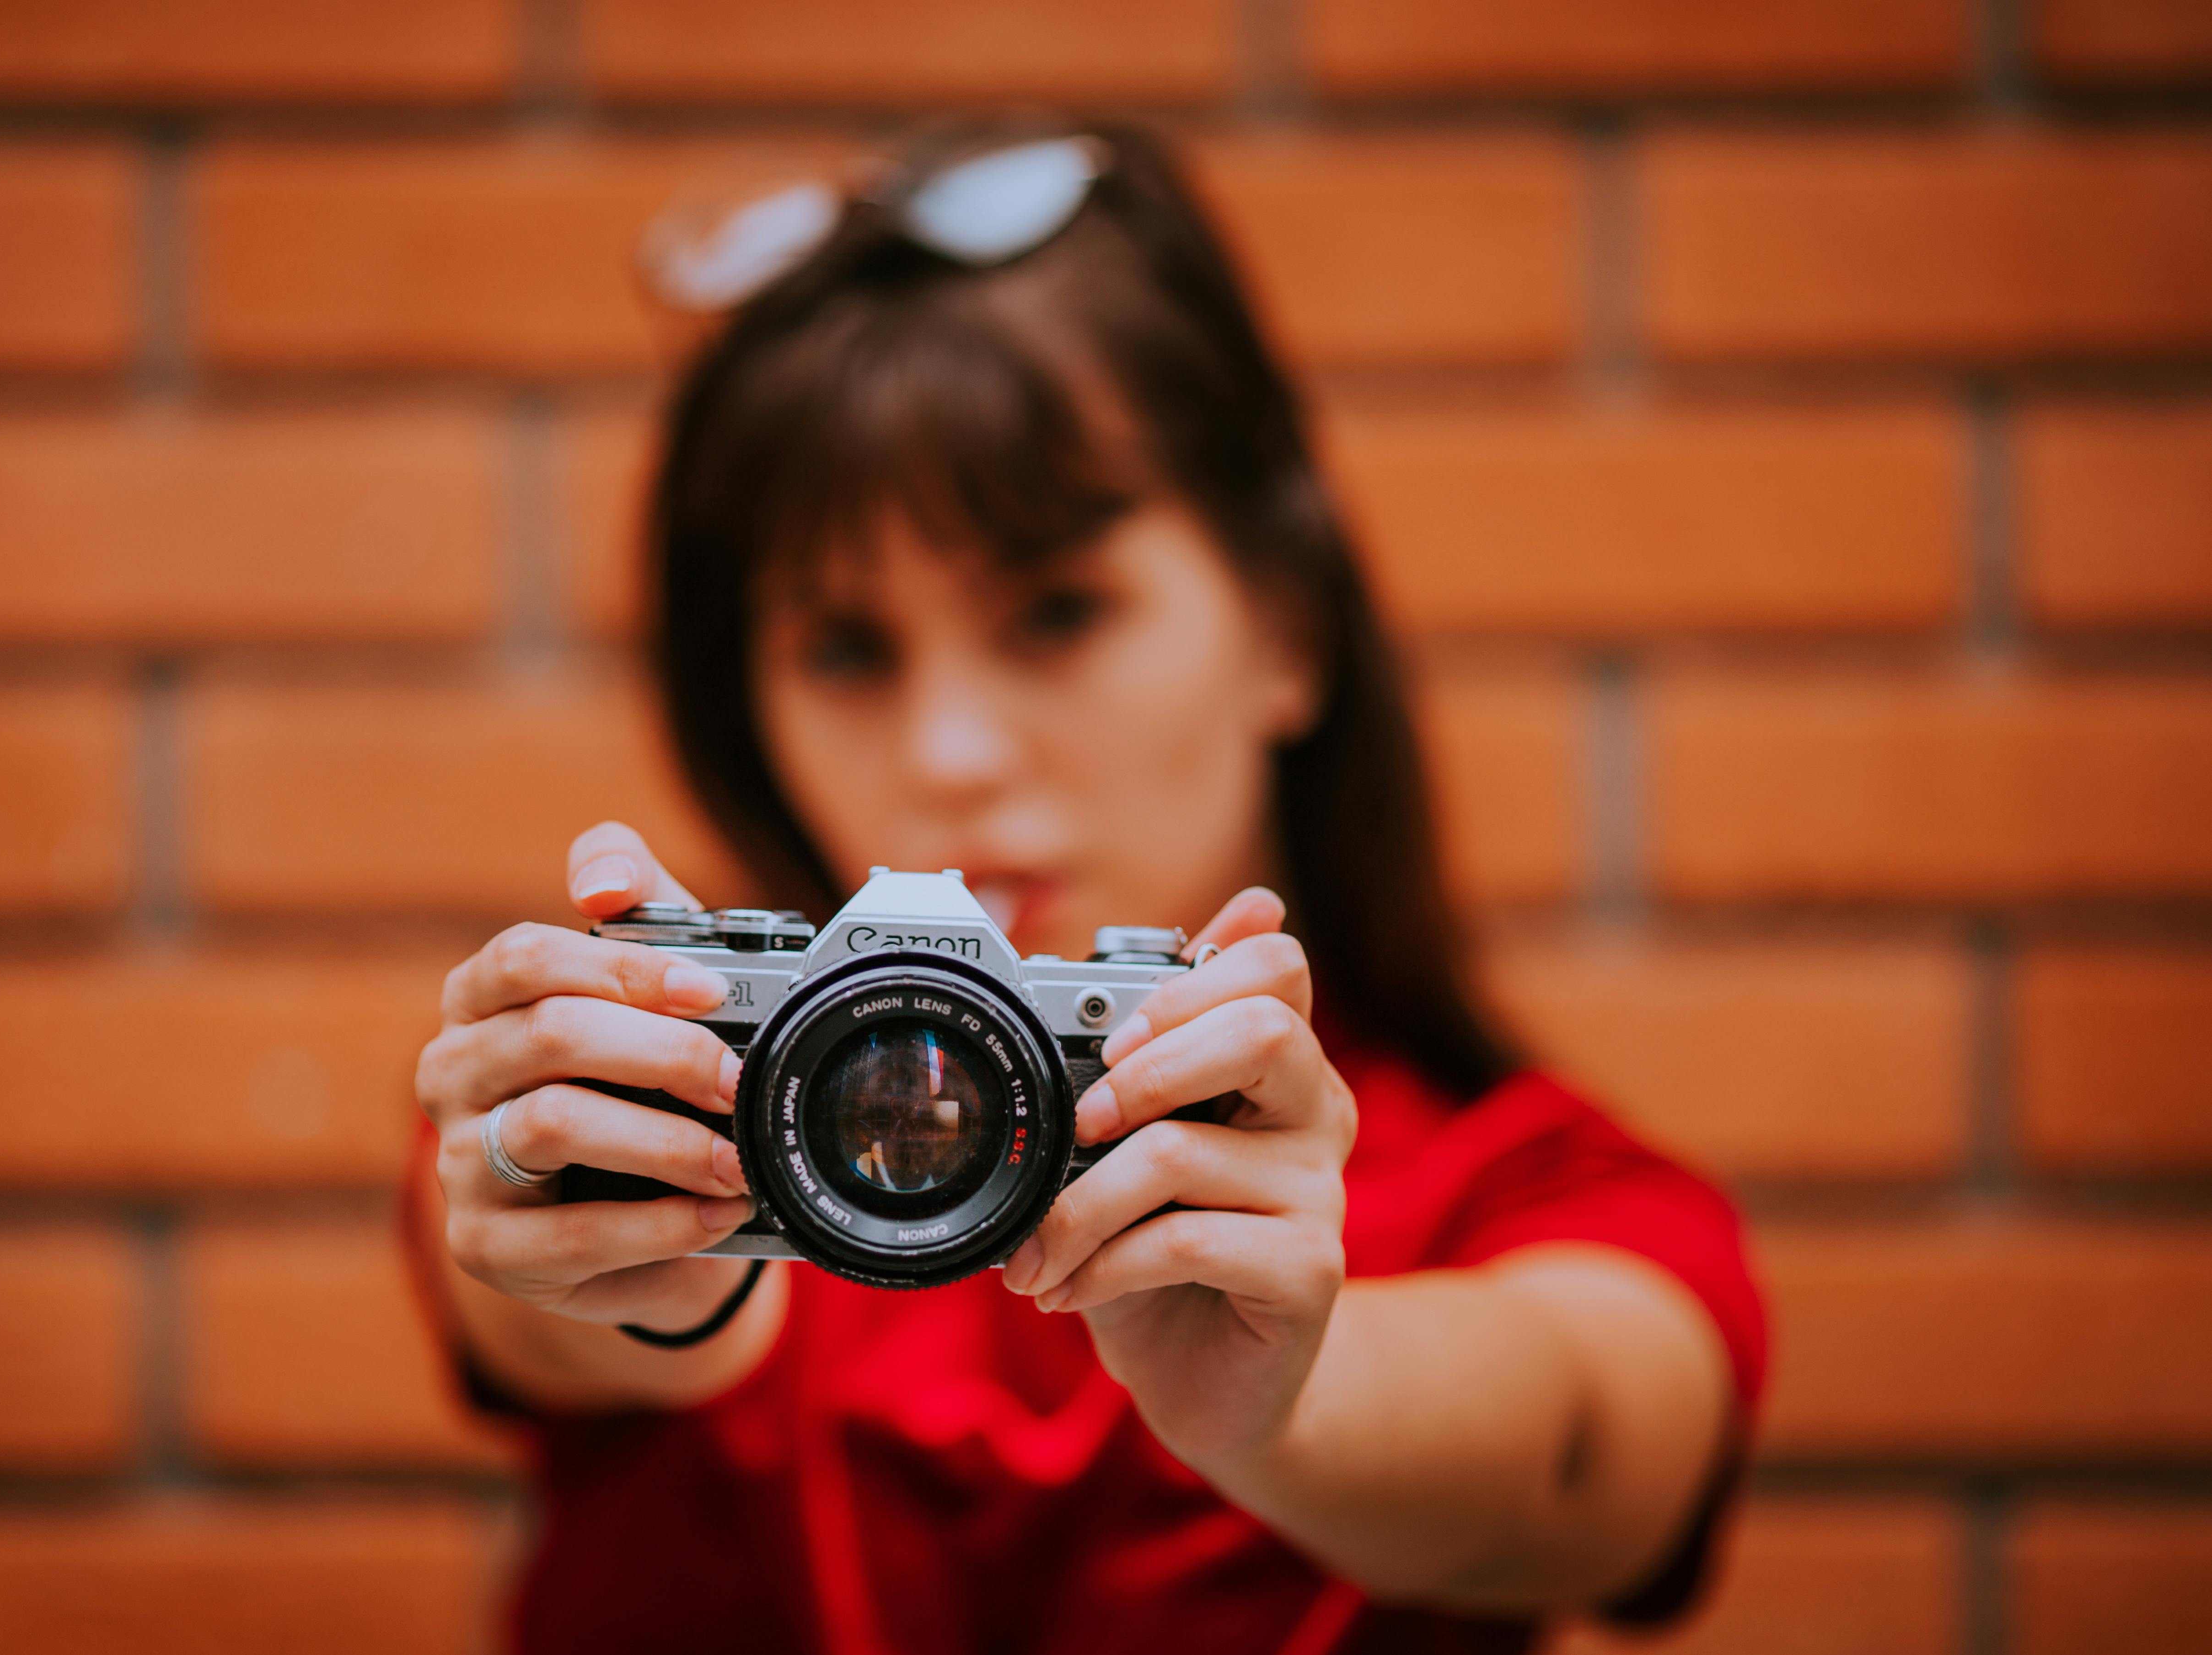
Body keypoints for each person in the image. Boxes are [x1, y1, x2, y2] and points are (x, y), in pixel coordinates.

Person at [408, 123, 1766, 1655]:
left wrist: (1284, 1387)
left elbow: (1580, 1458)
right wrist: (634, 1258)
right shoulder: (628, 1073)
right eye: (845, 647)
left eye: (1055, 611)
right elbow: (524, 1281)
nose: (950, 752)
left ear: (1284, 623)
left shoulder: (1535, 1191)